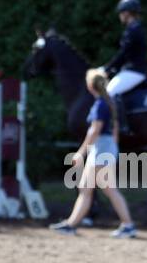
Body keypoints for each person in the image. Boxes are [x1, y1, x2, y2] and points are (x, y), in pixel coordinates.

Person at [51, 68, 136, 237]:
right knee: (92, 188)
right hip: (107, 147)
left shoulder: (100, 104)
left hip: (101, 149)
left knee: (94, 188)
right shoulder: (109, 103)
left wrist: (80, 153)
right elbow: (115, 129)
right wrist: (113, 148)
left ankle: (127, 225)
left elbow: (94, 131)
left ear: (91, 86)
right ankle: (72, 224)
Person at [99, 0, 146, 133]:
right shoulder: (135, 28)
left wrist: (107, 69)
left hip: (134, 71)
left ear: (126, 13)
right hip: (131, 69)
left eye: (121, 13)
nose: (120, 16)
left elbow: (123, 54)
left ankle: (122, 126)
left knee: (109, 92)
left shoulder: (133, 30)